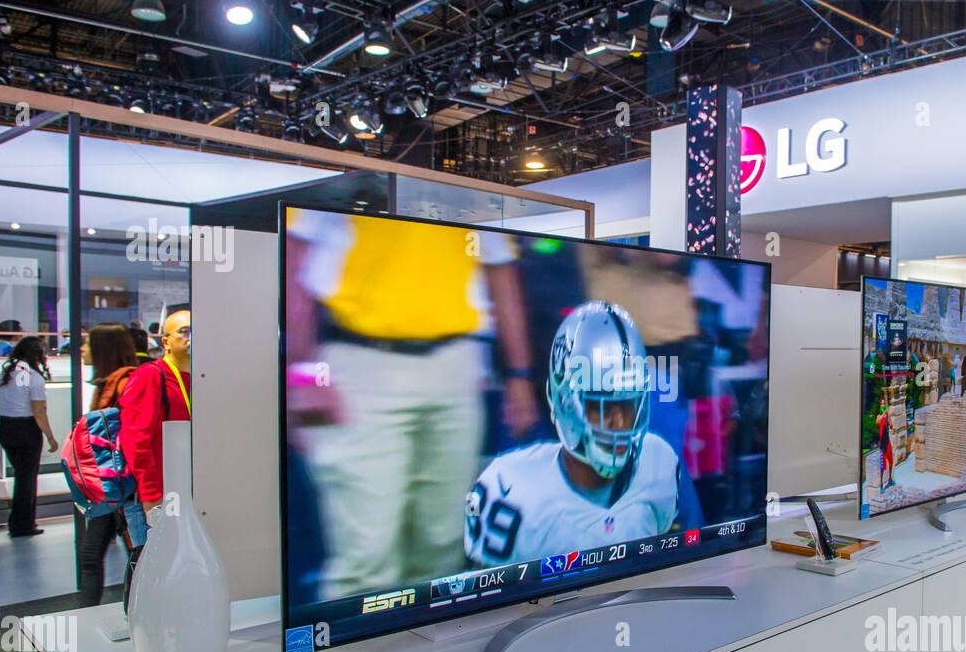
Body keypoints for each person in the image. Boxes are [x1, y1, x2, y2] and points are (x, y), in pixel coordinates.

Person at [286, 211, 536, 600]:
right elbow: (295, 265)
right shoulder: (349, 178)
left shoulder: (473, 195)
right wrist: (305, 379)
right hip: (358, 364)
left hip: (455, 366)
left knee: (443, 549)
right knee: (366, 558)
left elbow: (500, 271)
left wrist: (519, 376)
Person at [465, 302, 678, 567]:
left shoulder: (659, 464)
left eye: (627, 404)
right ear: (565, 402)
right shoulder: (510, 491)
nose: (619, 422)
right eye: (601, 405)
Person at [76, 323, 140, 605]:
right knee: (93, 556)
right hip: (109, 485)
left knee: (136, 559)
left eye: (87, 344)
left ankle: (140, 616)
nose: (82, 349)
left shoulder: (126, 384)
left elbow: (135, 438)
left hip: (123, 486)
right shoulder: (107, 386)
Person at [120, 309, 191, 519]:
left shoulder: (203, 378)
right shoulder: (150, 376)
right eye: (185, 331)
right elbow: (136, 440)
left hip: (188, 489)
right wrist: (151, 495)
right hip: (159, 495)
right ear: (166, 342)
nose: (193, 337)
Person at [0, 336, 58, 537]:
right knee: (27, 480)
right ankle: (22, 525)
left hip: (5, 427)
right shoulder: (35, 378)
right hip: (26, 429)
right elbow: (39, 412)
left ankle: (17, 522)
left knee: (22, 477)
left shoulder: (8, 372)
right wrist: (50, 437)